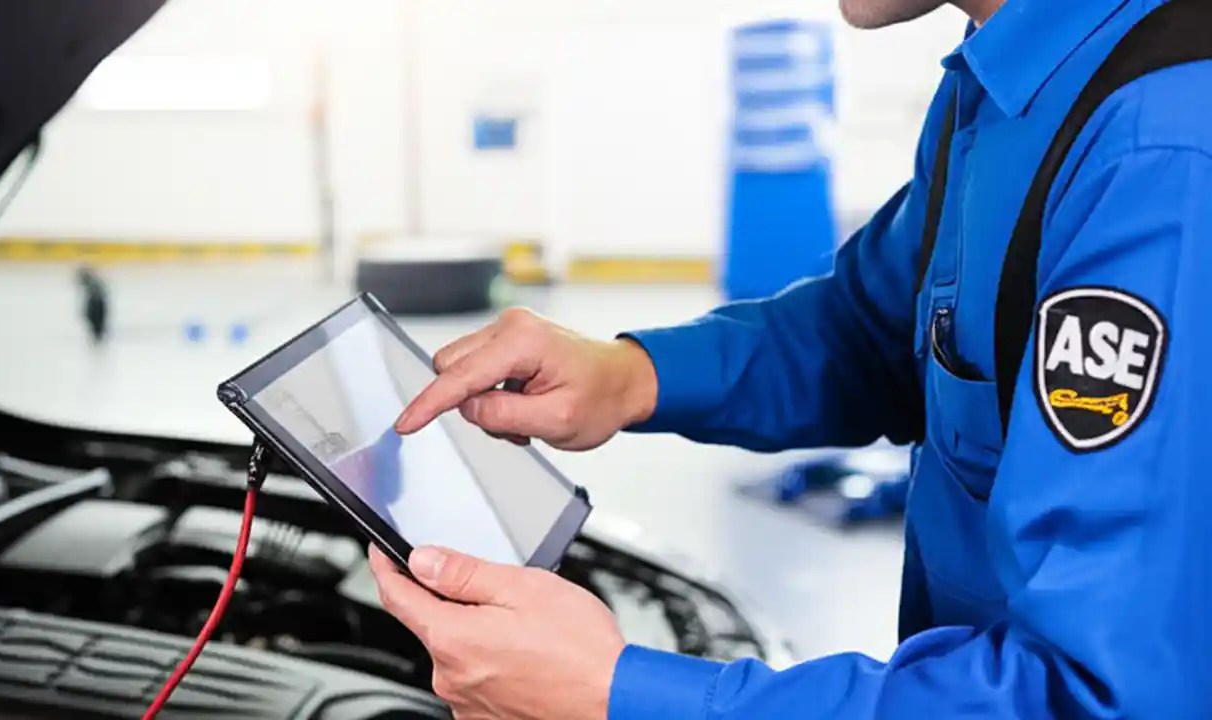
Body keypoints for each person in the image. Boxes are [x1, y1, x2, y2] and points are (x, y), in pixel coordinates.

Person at [366, 0, 1212, 716]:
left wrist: (620, 695)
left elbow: (1098, 700)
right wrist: (629, 376)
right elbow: (874, 326)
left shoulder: (1162, 152)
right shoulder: (1006, 85)